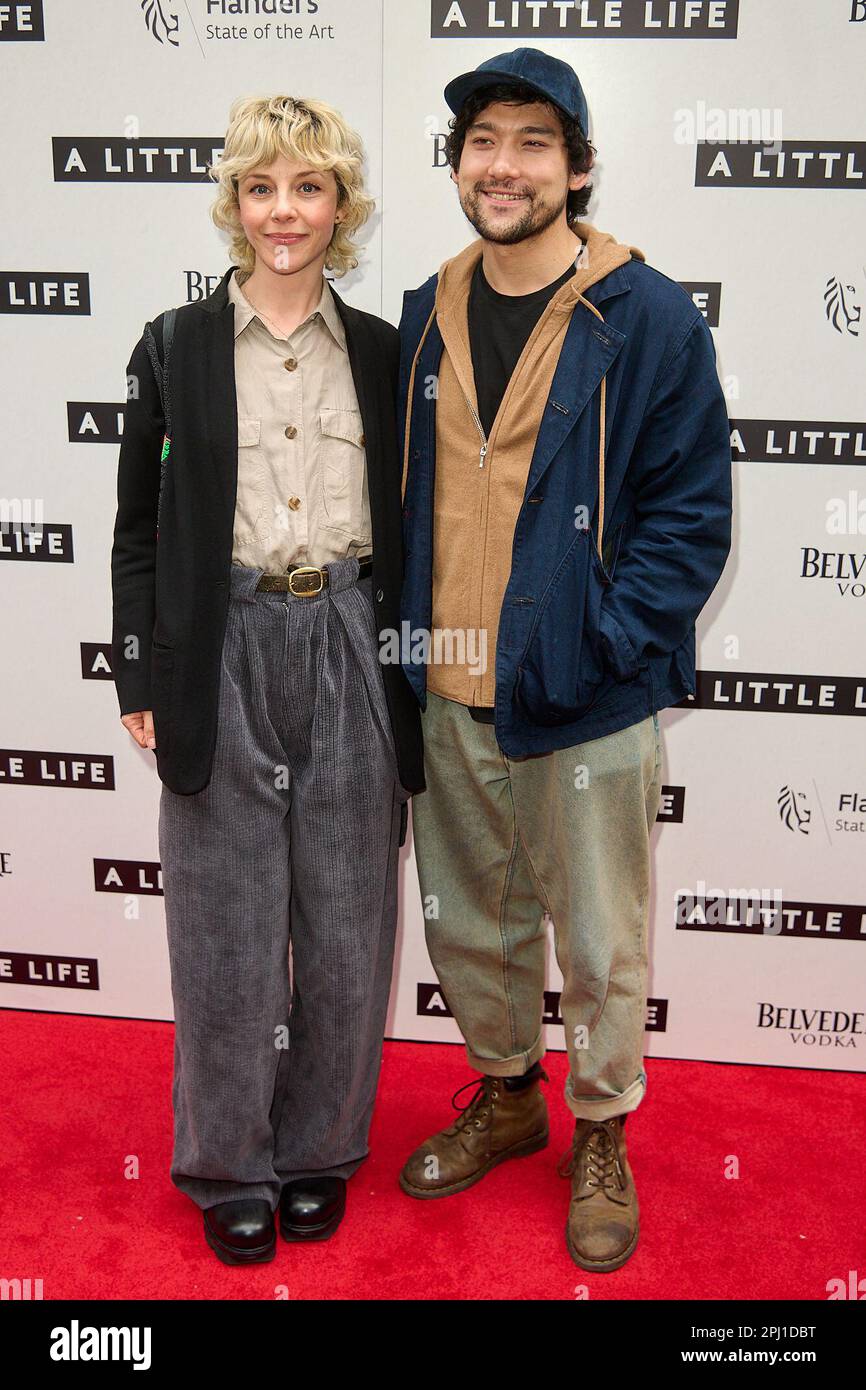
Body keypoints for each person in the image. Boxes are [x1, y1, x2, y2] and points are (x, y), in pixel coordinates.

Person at [396, 49, 732, 1272]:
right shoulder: (425, 310)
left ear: (577, 168)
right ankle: (504, 1094)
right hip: (446, 685)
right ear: (458, 164)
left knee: (597, 938)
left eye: (535, 142)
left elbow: (688, 517)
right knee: (473, 930)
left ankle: (599, 1126)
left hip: (584, 700)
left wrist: (605, 645)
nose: (505, 165)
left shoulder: (642, 315)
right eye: (485, 140)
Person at [110, 93, 423, 1265]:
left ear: (339, 206)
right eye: (259, 187)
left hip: (347, 634)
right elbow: (137, 526)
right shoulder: (170, 345)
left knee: (347, 924)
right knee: (227, 927)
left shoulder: (386, 354)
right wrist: (139, 665)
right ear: (232, 205)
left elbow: (414, 531)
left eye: (306, 187)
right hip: (219, 646)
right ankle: (229, 1160)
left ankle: (319, 1150)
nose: (281, 211)